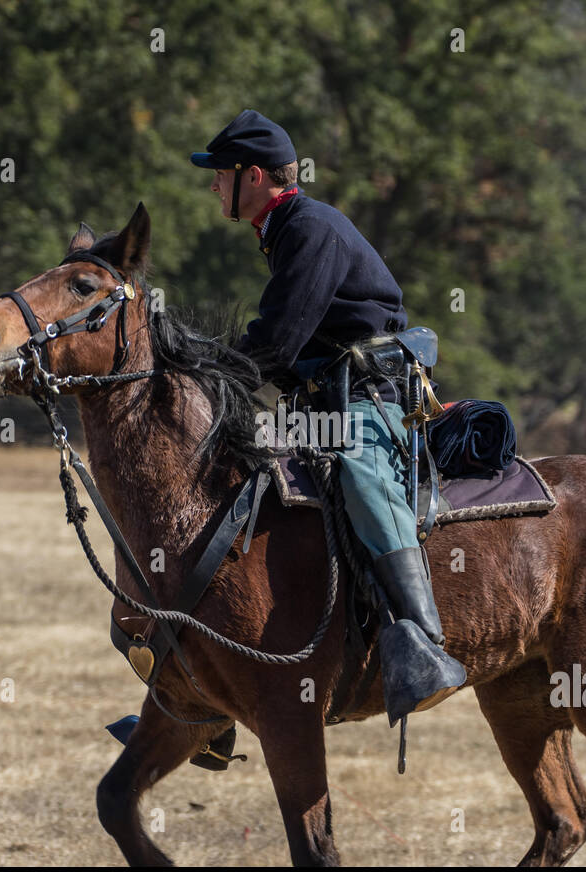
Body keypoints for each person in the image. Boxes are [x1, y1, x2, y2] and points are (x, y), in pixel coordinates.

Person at [190, 109, 464, 722]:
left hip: (370, 400)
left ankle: (424, 643)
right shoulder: (284, 229)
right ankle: (204, 697)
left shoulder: (309, 230)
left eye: (221, 174)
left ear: (254, 176)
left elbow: (277, 342)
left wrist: (203, 369)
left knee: (360, 474)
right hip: (325, 395)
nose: (213, 185)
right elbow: (278, 343)